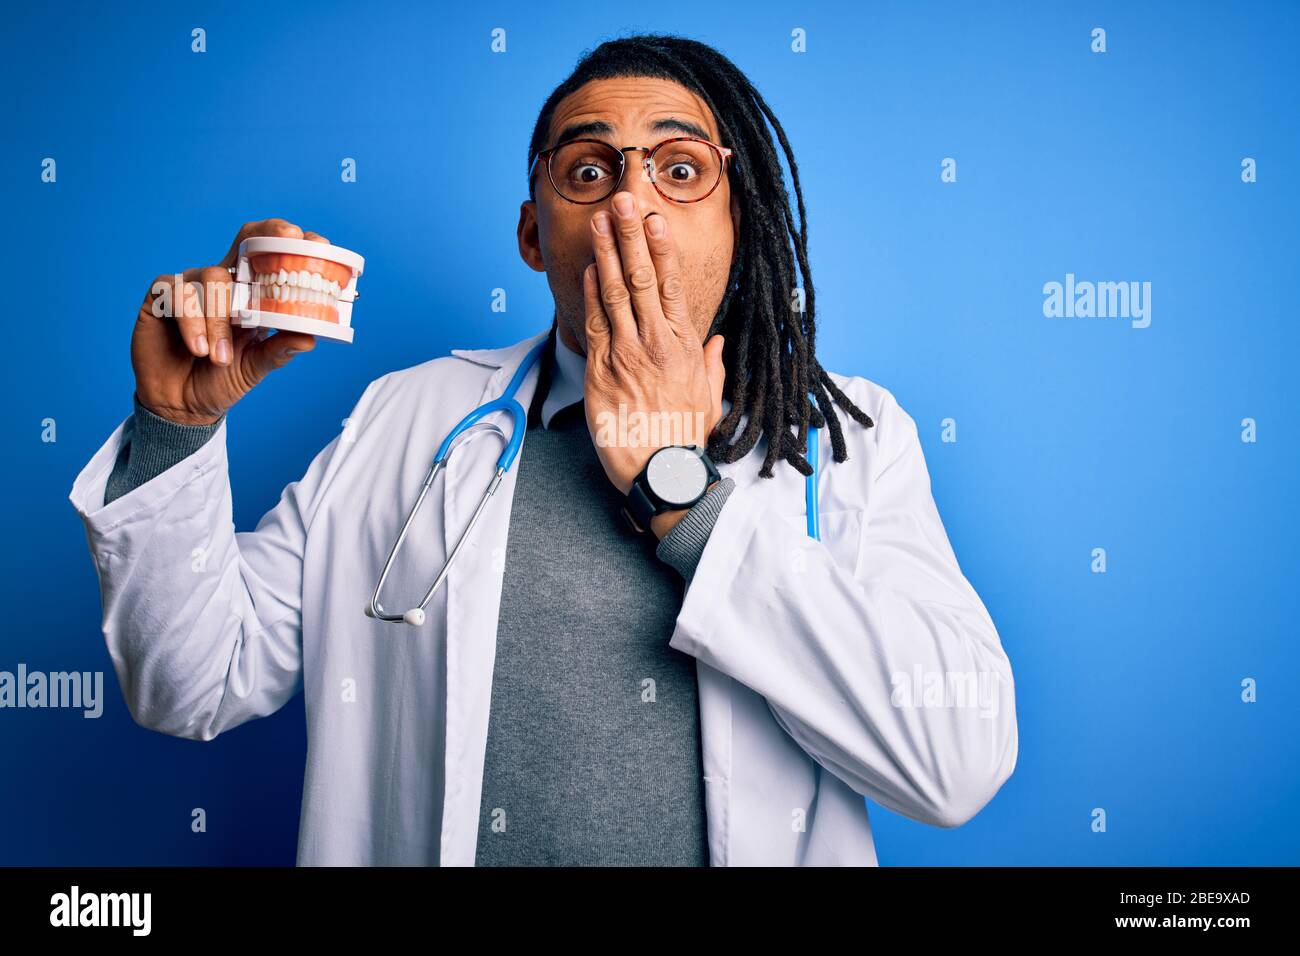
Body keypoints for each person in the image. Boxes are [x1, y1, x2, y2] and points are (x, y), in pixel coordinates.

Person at [68, 33, 1017, 866]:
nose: (631, 204)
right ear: (533, 232)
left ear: (740, 224)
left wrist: (677, 492)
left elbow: (956, 762)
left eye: (680, 171)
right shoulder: (408, 419)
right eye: (590, 171)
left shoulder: (846, 438)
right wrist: (175, 423)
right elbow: (191, 681)